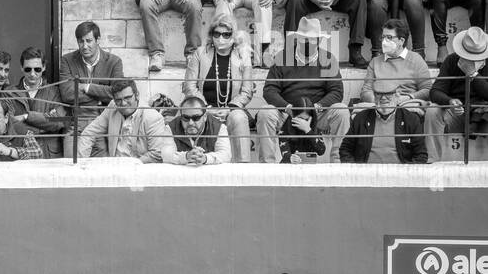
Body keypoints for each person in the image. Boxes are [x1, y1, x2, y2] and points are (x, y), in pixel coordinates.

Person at [256, 20, 349, 163]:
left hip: (318, 113)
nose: (308, 43)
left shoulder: (328, 59)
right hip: (287, 113)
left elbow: (336, 91)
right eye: (304, 39)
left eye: (312, 39)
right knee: (265, 113)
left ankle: (339, 163)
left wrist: (317, 108)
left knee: (341, 111)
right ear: (297, 38)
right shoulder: (282, 57)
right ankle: (268, 165)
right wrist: (287, 107)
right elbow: (269, 90)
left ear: (319, 41)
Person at [181, 18, 254, 161]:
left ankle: (244, 168)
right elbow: (189, 86)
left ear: (233, 36)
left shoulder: (243, 55)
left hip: (230, 110)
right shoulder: (200, 53)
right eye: (217, 34)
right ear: (211, 35)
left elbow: (247, 91)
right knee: (195, 117)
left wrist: (229, 109)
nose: (221, 38)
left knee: (238, 117)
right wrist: (205, 109)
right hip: (204, 110)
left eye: (226, 34)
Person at [427, 25, 488, 160]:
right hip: (457, 113)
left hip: (481, 112)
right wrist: (450, 101)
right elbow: (435, 91)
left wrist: (473, 74)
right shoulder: (451, 60)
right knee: (432, 110)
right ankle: (433, 160)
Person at [56, 22, 121, 147]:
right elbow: (67, 94)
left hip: (103, 123)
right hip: (76, 123)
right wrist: (100, 98)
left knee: (102, 165)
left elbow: (117, 93)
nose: (84, 46)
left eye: (89, 41)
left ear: (98, 40)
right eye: (81, 41)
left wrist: (87, 87)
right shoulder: (67, 60)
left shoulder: (114, 62)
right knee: (70, 164)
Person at [76, 79, 169, 160]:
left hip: (139, 169)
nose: (123, 103)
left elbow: (156, 154)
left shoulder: (152, 117)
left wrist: (130, 166)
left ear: (137, 95)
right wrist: (81, 163)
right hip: (114, 167)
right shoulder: (113, 106)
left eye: (127, 98)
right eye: (118, 100)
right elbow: (89, 133)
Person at [360, 15, 434, 115]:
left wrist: (409, 97)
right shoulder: (375, 61)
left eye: (389, 37)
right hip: (378, 105)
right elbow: (366, 91)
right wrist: (380, 102)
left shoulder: (416, 59)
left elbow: (427, 90)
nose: (384, 41)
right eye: (383, 37)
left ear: (401, 41)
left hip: (405, 104)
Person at [163, 96, 232, 166]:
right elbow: (166, 155)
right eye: (185, 118)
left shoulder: (219, 127)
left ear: (205, 117)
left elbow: (226, 155)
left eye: (196, 118)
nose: (190, 123)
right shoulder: (171, 127)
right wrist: (186, 156)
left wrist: (205, 158)